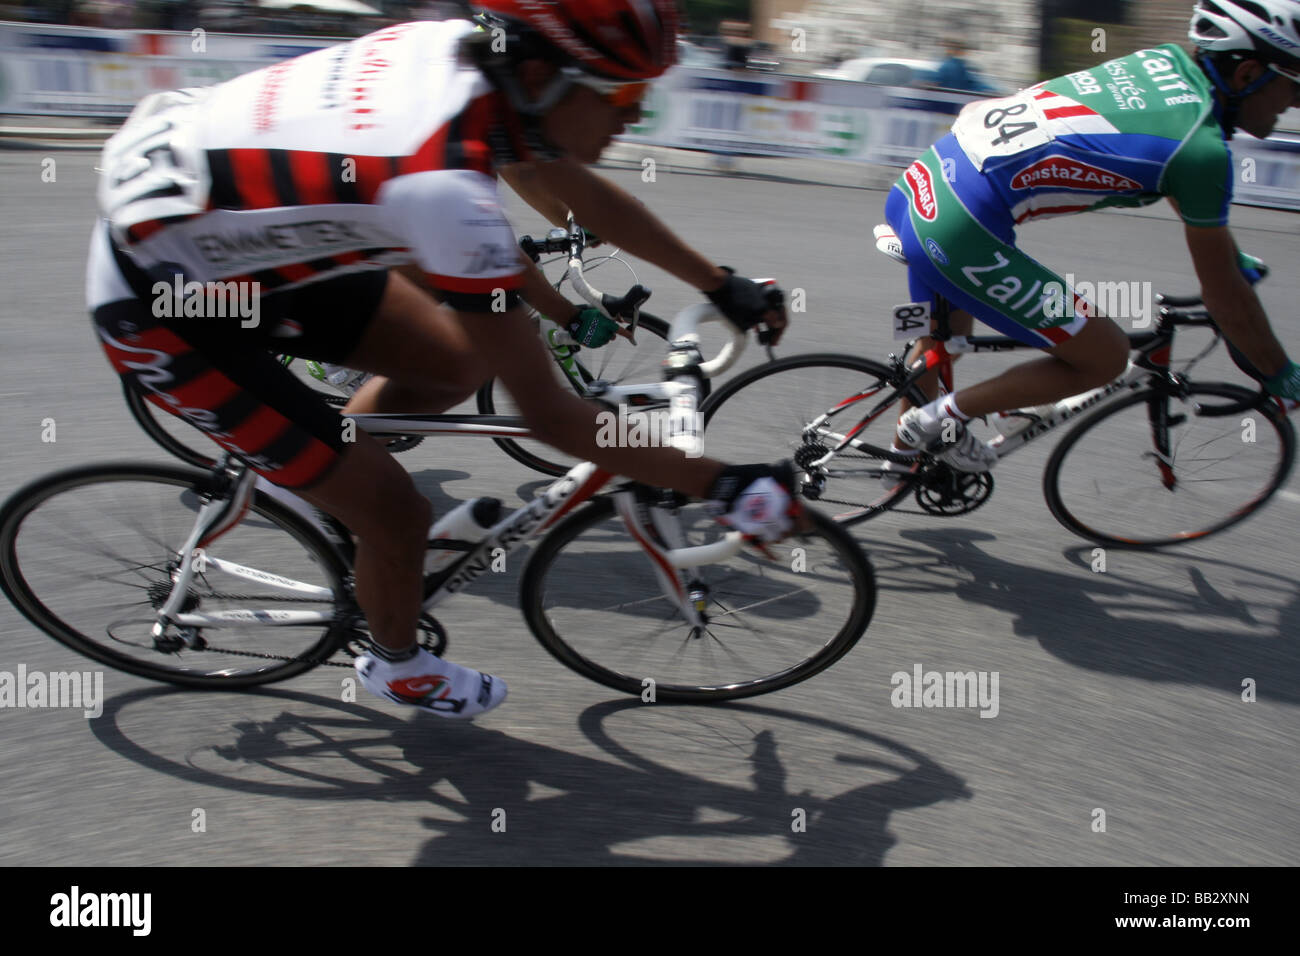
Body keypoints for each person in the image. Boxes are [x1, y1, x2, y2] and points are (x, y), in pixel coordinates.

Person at [86, 0, 793, 719]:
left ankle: (323, 491)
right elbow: (549, 416)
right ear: (546, 74)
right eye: (625, 93)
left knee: (454, 364)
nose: (636, 119)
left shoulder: (462, 55)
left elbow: (566, 186)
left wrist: (716, 281)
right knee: (399, 514)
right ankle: (397, 664)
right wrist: (724, 482)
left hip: (231, 241)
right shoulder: (441, 185)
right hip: (160, 306)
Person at [883, 0, 1300, 477]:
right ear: (1247, 74)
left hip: (922, 182)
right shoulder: (1201, 152)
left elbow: (1172, 177)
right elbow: (1225, 298)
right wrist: (1282, 374)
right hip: (959, 229)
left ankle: (897, 471)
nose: (1295, 103)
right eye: (1293, 85)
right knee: (1104, 356)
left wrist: (1230, 256)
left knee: (943, 340)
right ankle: (937, 420)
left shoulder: (1162, 63)